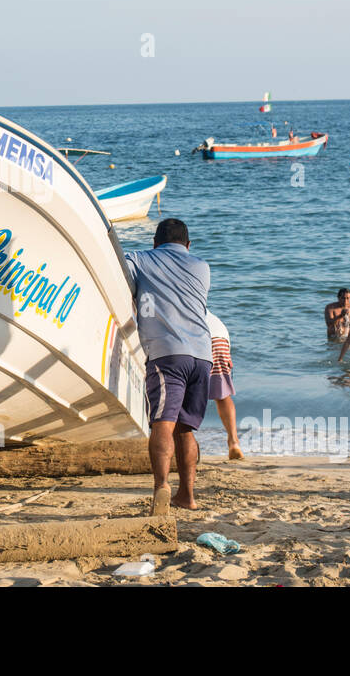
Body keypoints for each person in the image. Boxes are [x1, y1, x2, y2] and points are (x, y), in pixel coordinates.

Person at [124, 218, 212, 515]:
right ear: (188, 245)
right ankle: (187, 496)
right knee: (185, 429)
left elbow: (115, 270)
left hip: (167, 354)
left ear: (154, 243)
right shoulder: (202, 266)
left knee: (163, 423)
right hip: (202, 356)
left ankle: (161, 487)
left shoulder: (140, 259)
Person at [205, 310, 241, 461]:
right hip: (220, 337)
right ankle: (233, 441)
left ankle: (182, 443)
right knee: (222, 395)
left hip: (196, 337)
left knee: (182, 393)